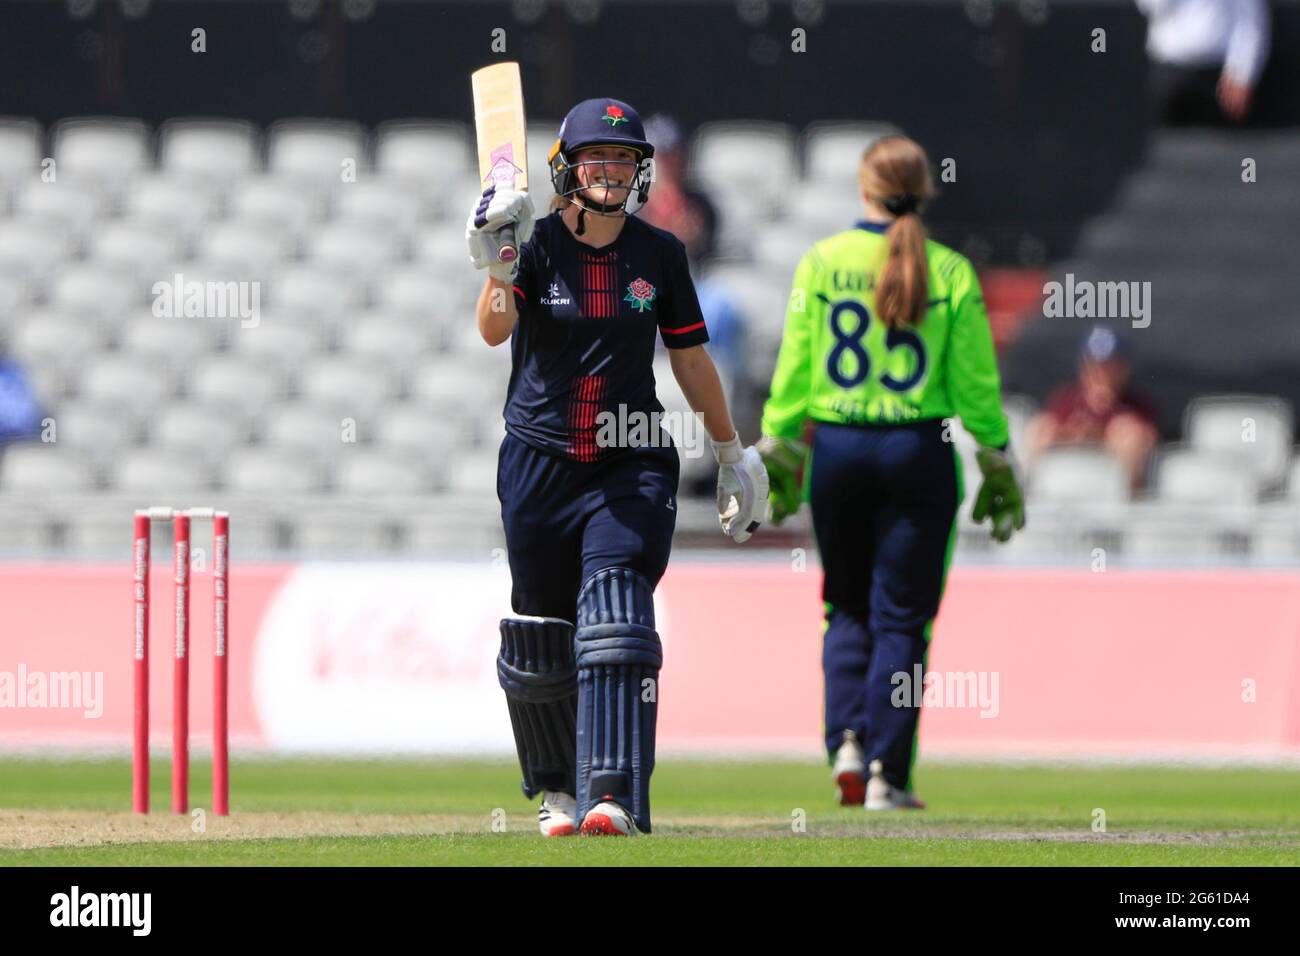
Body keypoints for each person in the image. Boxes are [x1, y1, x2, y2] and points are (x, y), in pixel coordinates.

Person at [466, 97, 768, 837]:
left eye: (624, 163)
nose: (610, 175)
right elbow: (492, 329)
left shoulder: (659, 253)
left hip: (630, 460)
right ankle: (558, 793)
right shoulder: (531, 244)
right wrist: (497, 266)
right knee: (542, 632)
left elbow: (691, 358)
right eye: (596, 162)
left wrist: (731, 453)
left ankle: (615, 796)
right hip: (537, 460)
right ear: (567, 171)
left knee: (616, 613)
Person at [758, 135, 1024, 811]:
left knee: (844, 605)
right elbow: (975, 387)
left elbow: (792, 371)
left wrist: (779, 446)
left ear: (863, 188)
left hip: (839, 448)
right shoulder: (953, 271)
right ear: (924, 190)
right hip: (917, 448)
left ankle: (846, 742)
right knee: (901, 618)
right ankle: (888, 774)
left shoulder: (822, 262)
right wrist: (997, 457)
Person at [1025, 325, 1159, 491]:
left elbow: (1147, 438)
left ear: (1122, 369)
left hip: (1114, 481)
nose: (1100, 373)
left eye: (1109, 367)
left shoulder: (1135, 404)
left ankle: (1130, 500)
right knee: (1040, 428)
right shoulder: (1068, 399)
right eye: (1094, 365)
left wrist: (1101, 434)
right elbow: (1053, 427)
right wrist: (1072, 433)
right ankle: (1026, 490)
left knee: (1128, 434)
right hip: (1067, 472)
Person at [1137, 0, 1271, 126]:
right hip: (1167, 74)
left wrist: (1243, 73)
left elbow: (1251, 18)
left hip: (1222, 76)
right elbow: (1152, 7)